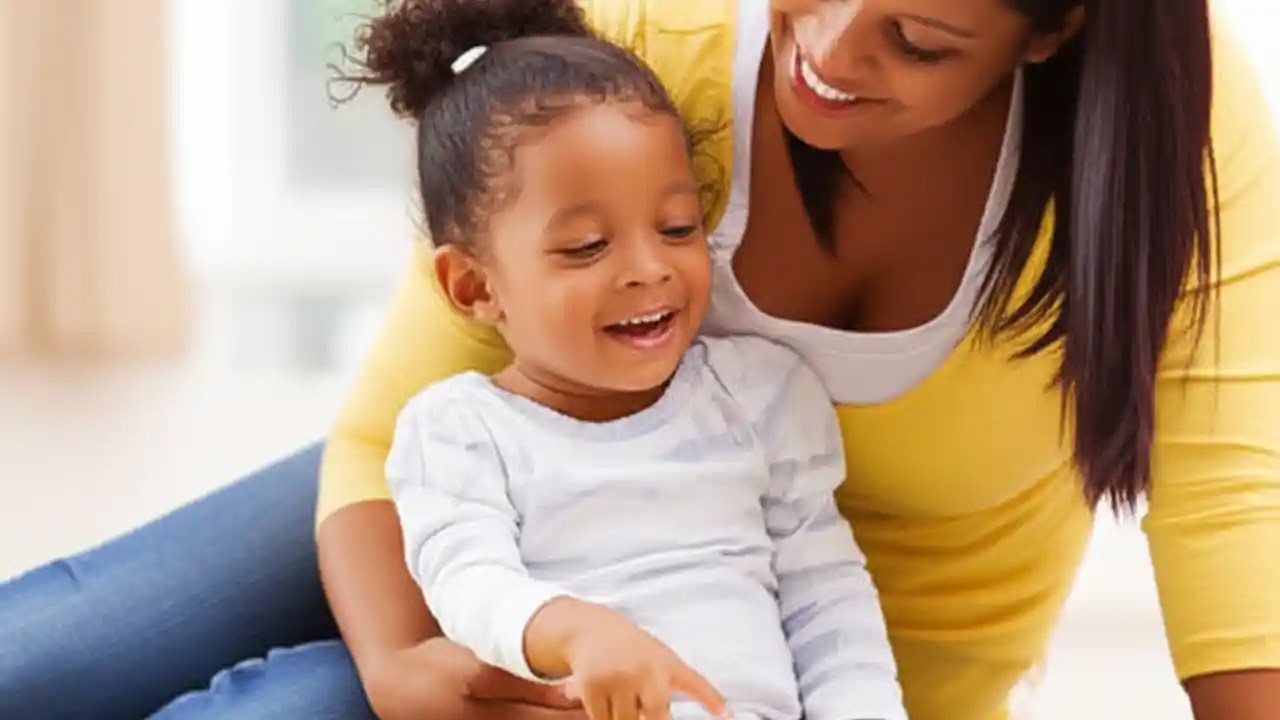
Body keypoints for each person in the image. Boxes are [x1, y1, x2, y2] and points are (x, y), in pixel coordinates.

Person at [0, 0, 1276, 718]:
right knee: (45, 662)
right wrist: (400, 665)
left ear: (1047, 34)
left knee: (278, 714)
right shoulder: (652, 41)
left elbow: (1234, 517)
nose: (826, 55)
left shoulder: (1179, 141)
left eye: (918, 40)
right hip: (472, 497)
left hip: (753, 662)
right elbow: (402, 427)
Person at [366, 7, 906, 718]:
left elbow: (827, 601)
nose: (649, 268)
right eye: (587, 246)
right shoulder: (461, 431)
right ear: (475, 286)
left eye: (678, 228)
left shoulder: (757, 395)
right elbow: (468, 584)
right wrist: (577, 631)